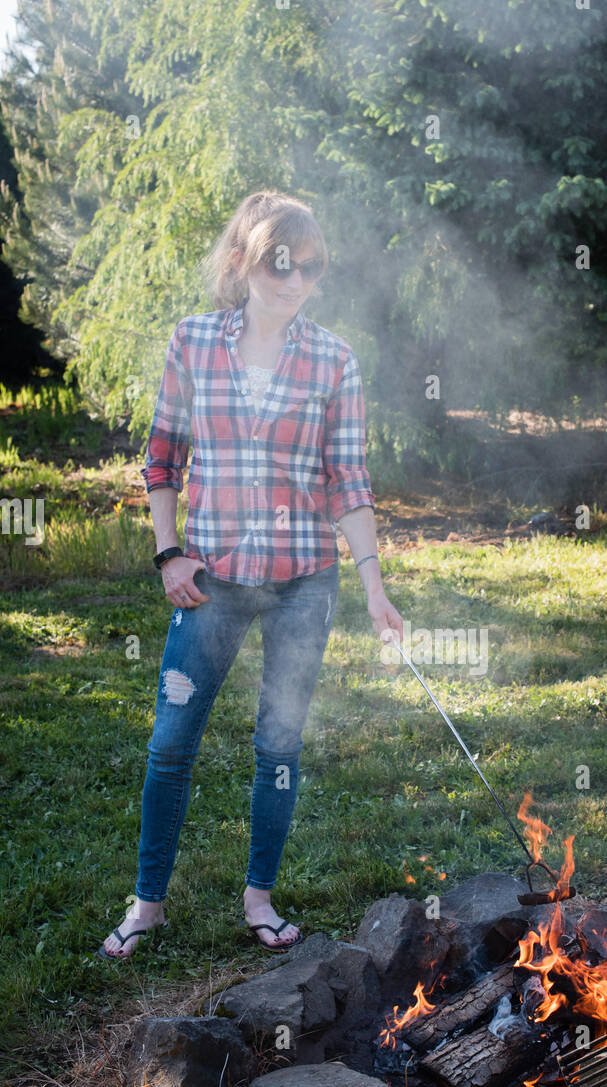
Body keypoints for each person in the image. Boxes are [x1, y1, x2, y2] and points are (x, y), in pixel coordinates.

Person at [99, 191, 402, 959]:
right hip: (212, 582)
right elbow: (162, 457)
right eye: (279, 261)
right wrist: (169, 552)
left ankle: (258, 900)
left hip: (305, 580)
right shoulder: (194, 343)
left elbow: (349, 482)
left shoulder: (334, 359)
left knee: (279, 745)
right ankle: (147, 904)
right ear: (243, 260)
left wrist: (373, 586)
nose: (294, 277)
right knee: (171, 744)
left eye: (309, 266)